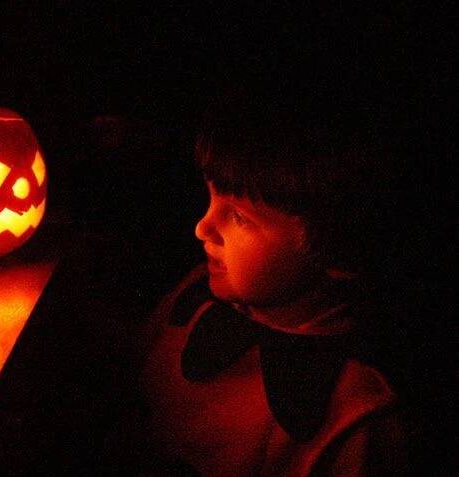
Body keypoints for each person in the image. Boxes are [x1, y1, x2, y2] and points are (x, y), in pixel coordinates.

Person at [140, 85, 409, 476]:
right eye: (210, 198)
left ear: (336, 248)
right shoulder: (192, 297)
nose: (202, 228)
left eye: (240, 218)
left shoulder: (355, 414)